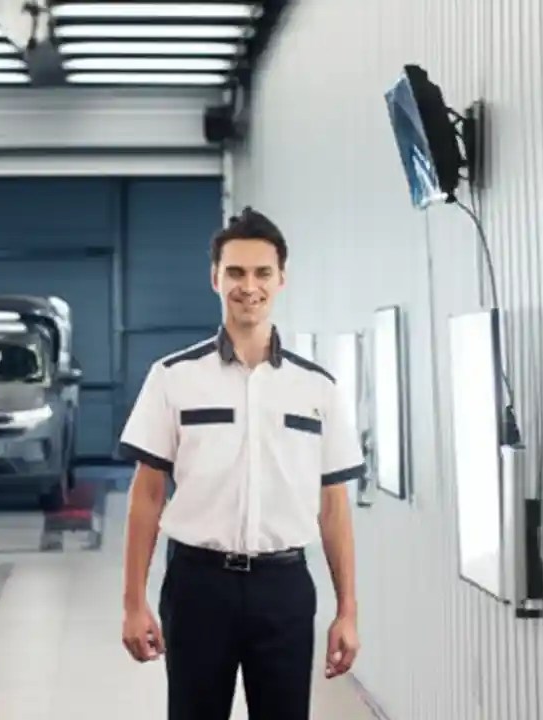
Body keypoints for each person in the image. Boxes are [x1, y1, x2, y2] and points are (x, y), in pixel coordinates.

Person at [118, 207, 366, 719]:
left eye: (261, 273)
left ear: (281, 279)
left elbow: (334, 507)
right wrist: (133, 602)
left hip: (285, 589)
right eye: (235, 272)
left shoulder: (317, 388)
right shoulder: (172, 377)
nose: (247, 286)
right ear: (215, 278)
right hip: (196, 587)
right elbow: (146, 495)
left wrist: (347, 611)